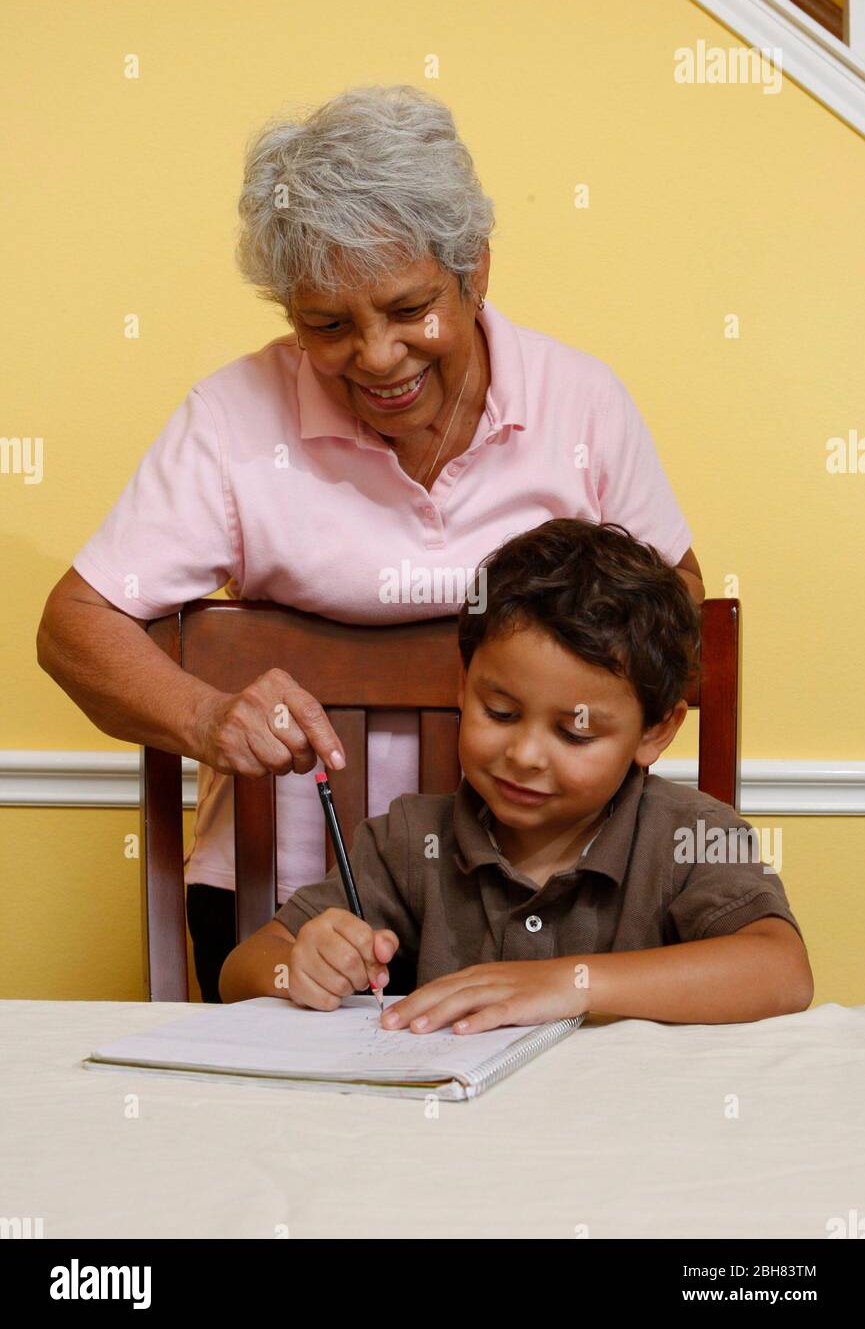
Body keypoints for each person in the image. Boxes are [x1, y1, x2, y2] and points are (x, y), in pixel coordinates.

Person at [36, 85, 705, 1004]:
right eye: (326, 325)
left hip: (541, 903)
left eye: (409, 308)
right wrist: (207, 717)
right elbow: (75, 622)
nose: (377, 356)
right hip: (279, 917)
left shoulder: (583, 402)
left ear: (474, 271)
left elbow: (673, 625)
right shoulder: (231, 417)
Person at [220, 519, 812, 1028]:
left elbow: (781, 970)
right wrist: (299, 967)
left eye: (575, 731)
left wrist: (570, 984)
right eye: (499, 712)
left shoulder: (691, 833)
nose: (526, 755)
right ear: (463, 685)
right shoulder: (408, 840)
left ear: (655, 731)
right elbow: (242, 967)